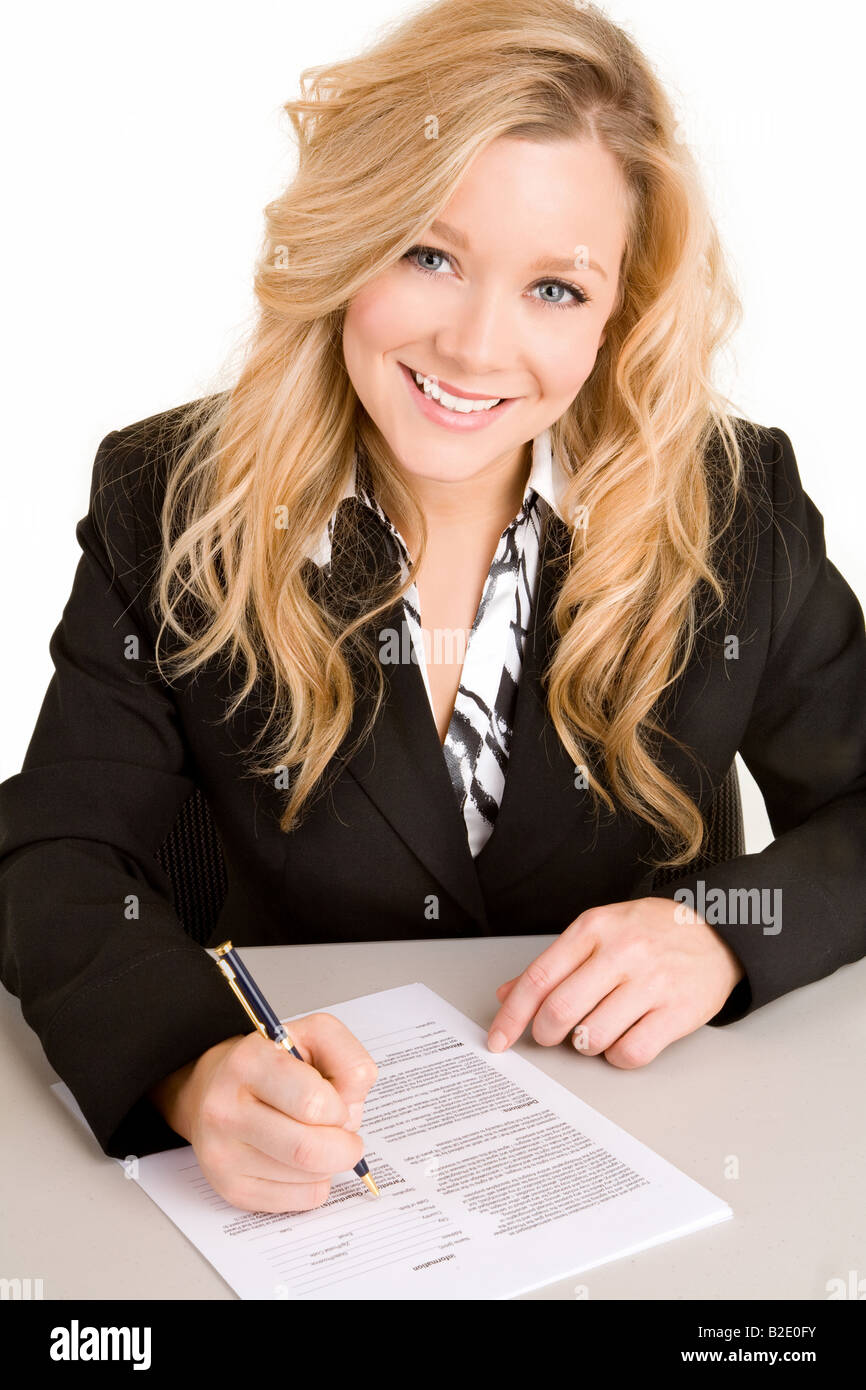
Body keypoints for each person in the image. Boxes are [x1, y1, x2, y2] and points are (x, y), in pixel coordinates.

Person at [2, 0, 865, 1218]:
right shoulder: (171, 498)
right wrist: (191, 1070)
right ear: (351, 233)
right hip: (324, 1194)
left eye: (556, 288)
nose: (472, 346)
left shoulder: (733, 505)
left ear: (620, 307)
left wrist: (726, 926)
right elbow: (61, 852)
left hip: (663, 1163)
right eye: (429, 253)